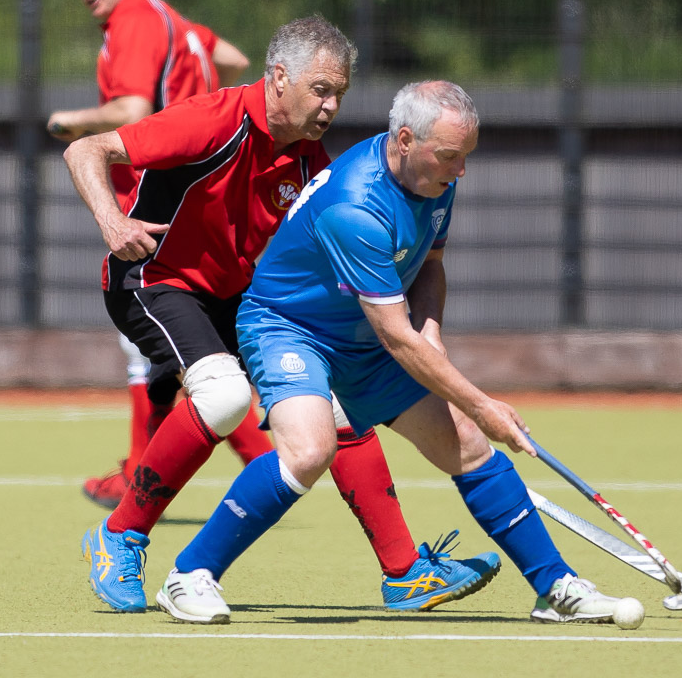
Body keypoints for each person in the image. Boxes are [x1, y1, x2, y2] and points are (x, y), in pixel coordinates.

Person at [156, 80, 635, 625]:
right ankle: (189, 577)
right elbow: (395, 338)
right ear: (405, 139)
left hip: (362, 334)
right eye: (451, 157)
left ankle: (556, 589)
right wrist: (482, 401)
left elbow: (429, 264)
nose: (460, 171)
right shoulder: (355, 207)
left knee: (471, 447)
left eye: (466, 157)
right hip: (289, 327)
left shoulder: (433, 177)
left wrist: (432, 328)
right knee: (310, 451)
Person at [64, 18, 501, 616]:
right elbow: (86, 148)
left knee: (338, 406)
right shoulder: (211, 120)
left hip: (237, 299)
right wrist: (113, 224)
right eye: (320, 89)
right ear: (277, 79)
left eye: (340, 93)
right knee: (222, 398)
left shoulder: (310, 160)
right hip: (156, 280)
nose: (331, 105)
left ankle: (405, 573)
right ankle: (121, 537)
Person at [47, 0, 267, 509]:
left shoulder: (135, 22)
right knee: (173, 346)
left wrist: (65, 121)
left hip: (158, 193)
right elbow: (233, 55)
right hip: (205, 190)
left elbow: (133, 107)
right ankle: (145, 471)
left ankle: (244, 460)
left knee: (158, 345)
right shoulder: (171, 19)